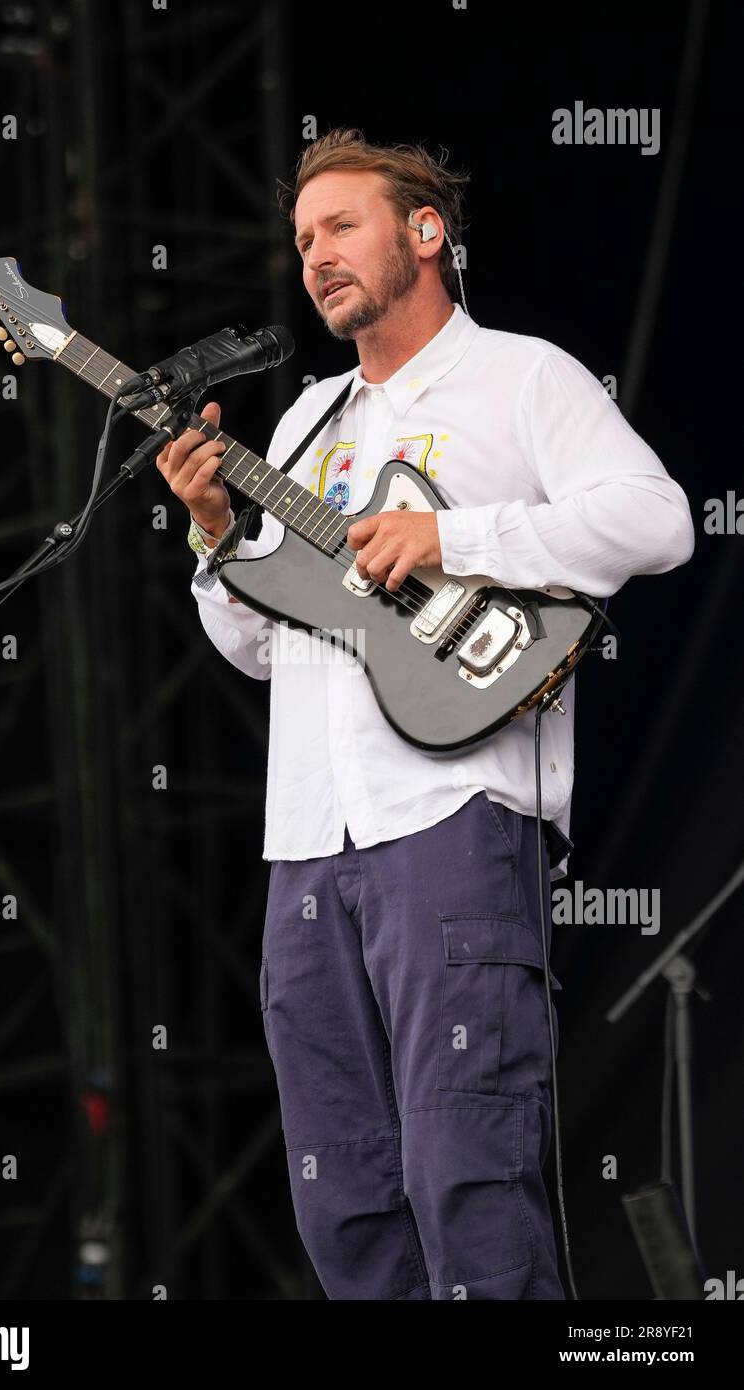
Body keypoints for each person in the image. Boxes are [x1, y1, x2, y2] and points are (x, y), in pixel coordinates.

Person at [155, 128, 695, 1300]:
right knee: (339, 1193)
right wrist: (210, 535)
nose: (315, 256)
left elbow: (658, 522)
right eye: (301, 240)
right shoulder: (301, 422)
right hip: (303, 844)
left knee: (465, 1165)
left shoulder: (519, 375)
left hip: (452, 813)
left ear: (424, 233)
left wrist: (451, 536)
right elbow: (252, 648)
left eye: (339, 226)